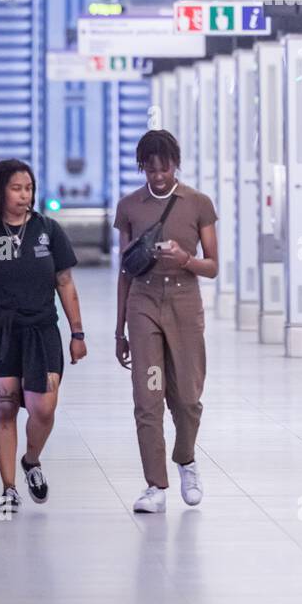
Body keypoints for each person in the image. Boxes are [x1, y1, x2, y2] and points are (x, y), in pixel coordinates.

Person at [0, 159, 86, 515]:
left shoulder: (48, 231)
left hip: (42, 331)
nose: (24, 195)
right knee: (4, 408)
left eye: (28, 188)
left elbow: (66, 284)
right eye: (16, 188)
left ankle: (31, 459)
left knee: (43, 407)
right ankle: (9, 488)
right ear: (0, 191)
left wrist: (77, 332)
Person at [114, 129, 218, 514]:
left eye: (165, 168)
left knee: (188, 398)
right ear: (142, 167)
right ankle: (155, 484)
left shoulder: (198, 204)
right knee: (148, 398)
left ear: (176, 164)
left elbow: (213, 266)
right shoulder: (129, 207)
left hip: (185, 304)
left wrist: (184, 259)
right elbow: (124, 271)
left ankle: (186, 459)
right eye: (150, 169)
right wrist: (119, 328)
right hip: (143, 305)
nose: (158, 176)